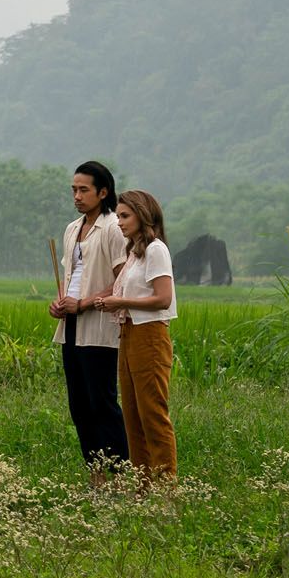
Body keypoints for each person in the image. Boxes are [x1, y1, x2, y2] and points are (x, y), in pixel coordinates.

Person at [48, 161, 131, 479]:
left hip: (101, 329)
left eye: (84, 190)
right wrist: (60, 303)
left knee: (102, 404)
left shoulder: (113, 227)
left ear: (103, 192)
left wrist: (84, 303)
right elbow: (71, 276)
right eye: (74, 190)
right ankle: (97, 476)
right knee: (80, 406)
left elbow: (123, 280)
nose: (77, 196)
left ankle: (122, 476)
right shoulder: (72, 228)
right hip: (71, 328)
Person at [93, 190, 178, 483]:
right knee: (132, 415)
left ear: (143, 216)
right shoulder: (135, 253)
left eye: (125, 216)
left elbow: (163, 298)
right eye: (118, 216)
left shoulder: (156, 249)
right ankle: (143, 487)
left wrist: (122, 303)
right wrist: (115, 303)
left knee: (152, 413)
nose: (119, 222)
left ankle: (166, 486)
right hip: (128, 332)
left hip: (150, 334)